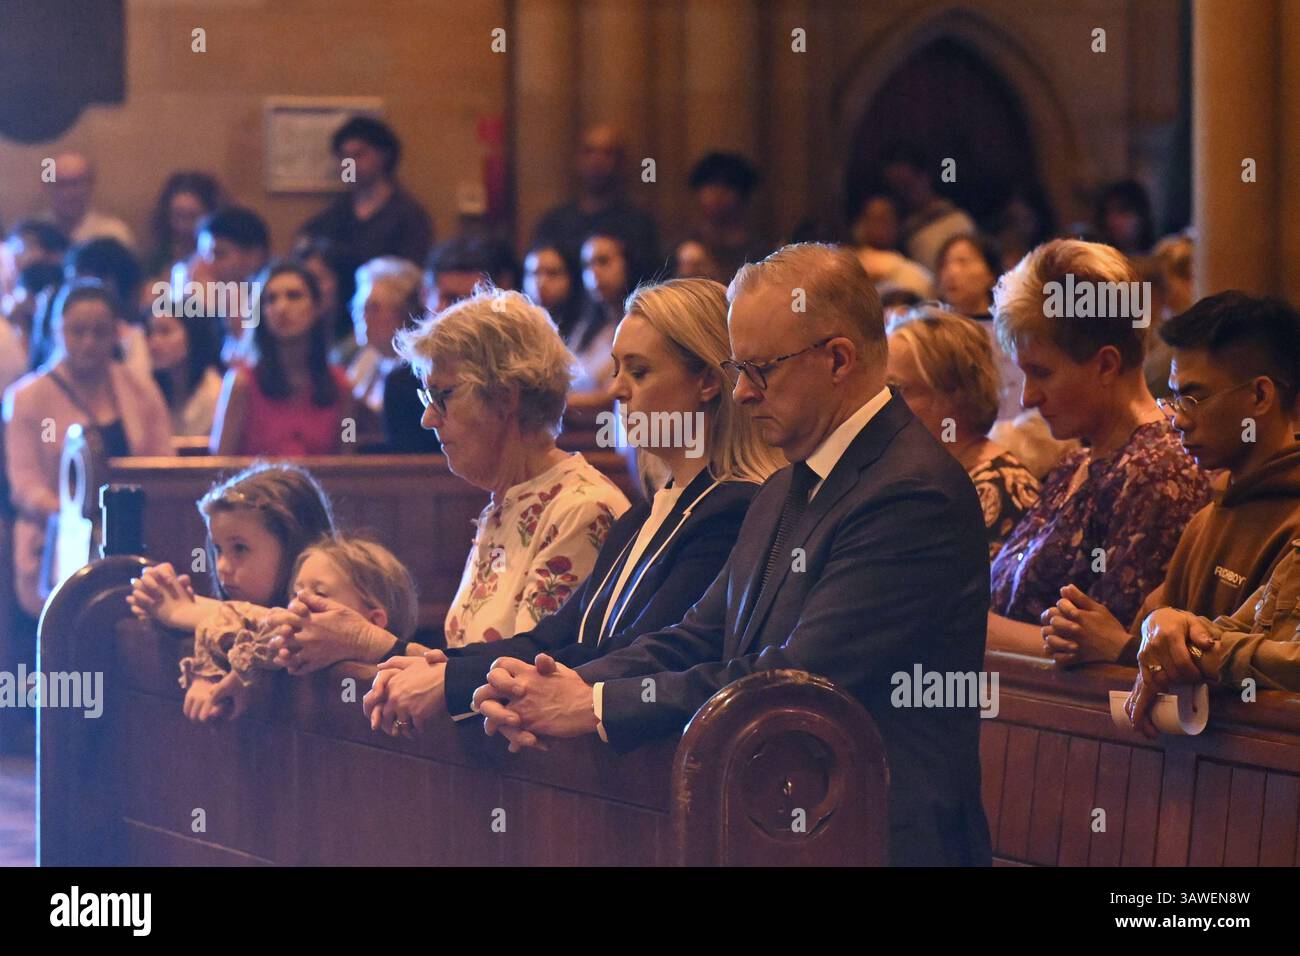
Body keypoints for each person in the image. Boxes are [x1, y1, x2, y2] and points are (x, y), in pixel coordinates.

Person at [469, 244, 993, 867]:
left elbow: (797, 679)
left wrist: (597, 706)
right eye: (738, 368)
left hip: (881, 842)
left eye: (760, 370)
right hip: (788, 830)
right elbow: (698, 636)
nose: (742, 394)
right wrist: (564, 685)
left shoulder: (910, 494)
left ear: (838, 360)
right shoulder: (785, 487)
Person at [361, 277, 784, 731]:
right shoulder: (643, 516)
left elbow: (637, 655)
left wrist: (456, 685)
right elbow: (556, 640)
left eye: (638, 372)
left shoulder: (731, 509)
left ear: (706, 381)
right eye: (617, 369)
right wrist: (427, 668)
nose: (617, 390)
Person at [267, 286, 632, 672]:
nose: (429, 419)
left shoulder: (581, 509)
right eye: (429, 400)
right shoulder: (509, 502)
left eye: (444, 396)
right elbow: (468, 663)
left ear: (506, 396)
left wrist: (369, 643)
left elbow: (523, 679)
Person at [1043, 292, 1300, 665]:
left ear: (1260, 396)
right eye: (1174, 400)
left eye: (1194, 398)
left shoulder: (1291, 521)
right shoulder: (1210, 516)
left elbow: (1260, 686)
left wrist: (1119, 649)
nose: (1177, 420)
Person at [986, 239, 1212, 658]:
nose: (1027, 398)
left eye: (1042, 373)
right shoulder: (1082, 455)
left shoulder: (1157, 470)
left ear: (1106, 365)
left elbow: (1106, 650)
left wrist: (959, 624)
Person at [3, 280, 172, 617]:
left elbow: (163, 466)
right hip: (55, 547)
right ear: (56, 331)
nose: (88, 342)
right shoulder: (26, 398)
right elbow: (25, 486)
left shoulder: (139, 389)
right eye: (77, 331)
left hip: (135, 539)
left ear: (116, 334)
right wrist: (79, 522)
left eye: (100, 332)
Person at [137, 534, 416, 723]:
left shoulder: (405, 683)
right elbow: (237, 620)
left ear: (373, 622)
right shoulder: (291, 641)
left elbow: (260, 641)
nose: (297, 606)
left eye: (319, 594)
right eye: (296, 593)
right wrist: (208, 674)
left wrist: (243, 673)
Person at [127, 463, 336, 713]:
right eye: (217, 549)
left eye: (240, 548)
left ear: (294, 546)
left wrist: (185, 613)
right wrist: (162, 606)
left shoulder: (331, 609)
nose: (222, 566)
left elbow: (286, 630)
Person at [886, 306, 1039, 559]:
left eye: (897, 389)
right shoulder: (921, 477)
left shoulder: (998, 490)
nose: (882, 404)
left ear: (953, 393)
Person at [208, 260, 353, 456]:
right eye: (270, 299)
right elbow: (220, 461)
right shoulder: (241, 385)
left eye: (294, 296)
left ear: (317, 307)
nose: (281, 307)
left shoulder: (343, 387)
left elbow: (348, 455)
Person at [299, 116, 434, 272]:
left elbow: (413, 271)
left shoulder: (409, 216)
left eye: (358, 155)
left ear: (383, 156)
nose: (349, 164)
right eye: (344, 156)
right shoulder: (332, 216)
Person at [531, 124, 659, 278]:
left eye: (607, 153)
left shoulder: (638, 224)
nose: (597, 160)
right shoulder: (554, 223)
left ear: (621, 162)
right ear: (577, 159)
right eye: (589, 152)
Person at [344, 255, 424, 447]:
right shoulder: (366, 359)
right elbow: (348, 429)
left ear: (404, 312)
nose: (362, 315)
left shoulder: (419, 370)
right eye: (360, 306)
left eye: (373, 307)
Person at [881, 146, 977, 273]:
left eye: (907, 184)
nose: (903, 193)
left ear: (924, 177)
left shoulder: (956, 219)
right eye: (896, 187)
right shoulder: (900, 234)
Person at [567, 233, 631, 404]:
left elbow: (613, 397)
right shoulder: (586, 326)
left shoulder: (642, 327)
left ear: (628, 264)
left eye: (603, 261)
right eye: (587, 265)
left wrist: (554, 403)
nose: (593, 272)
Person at [686, 152, 764, 281]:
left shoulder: (760, 251)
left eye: (727, 187)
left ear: (742, 194)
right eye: (710, 186)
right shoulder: (685, 247)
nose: (717, 195)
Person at [148, 309, 223, 437]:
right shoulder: (149, 388)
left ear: (193, 336)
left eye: (165, 332)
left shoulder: (214, 392)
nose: (154, 343)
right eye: (151, 332)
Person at [39, 151, 135, 249]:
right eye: (61, 184)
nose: (69, 193)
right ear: (48, 187)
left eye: (76, 184)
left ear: (91, 185)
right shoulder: (31, 235)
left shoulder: (114, 234)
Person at [849, 191, 933, 299]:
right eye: (872, 218)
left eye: (883, 219)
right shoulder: (845, 266)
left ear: (897, 225)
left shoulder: (916, 276)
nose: (878, 226)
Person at [145, 171, 222, 278]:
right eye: (178, 215)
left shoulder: (221, 263)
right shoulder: (156, 261)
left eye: (192, 217)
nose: (183, 225)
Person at [522, 241, 584, 340]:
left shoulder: (584, 328)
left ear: (571, 278)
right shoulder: (518, 328)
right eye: (533, 273)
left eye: (552, 273)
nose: (540, 283)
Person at [1093, 179, 1155, 256]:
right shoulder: (1099, 259)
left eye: (1122, 211)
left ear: (1141, 216)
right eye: (1108, 213)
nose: (1112, 221)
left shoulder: (1160, 261)